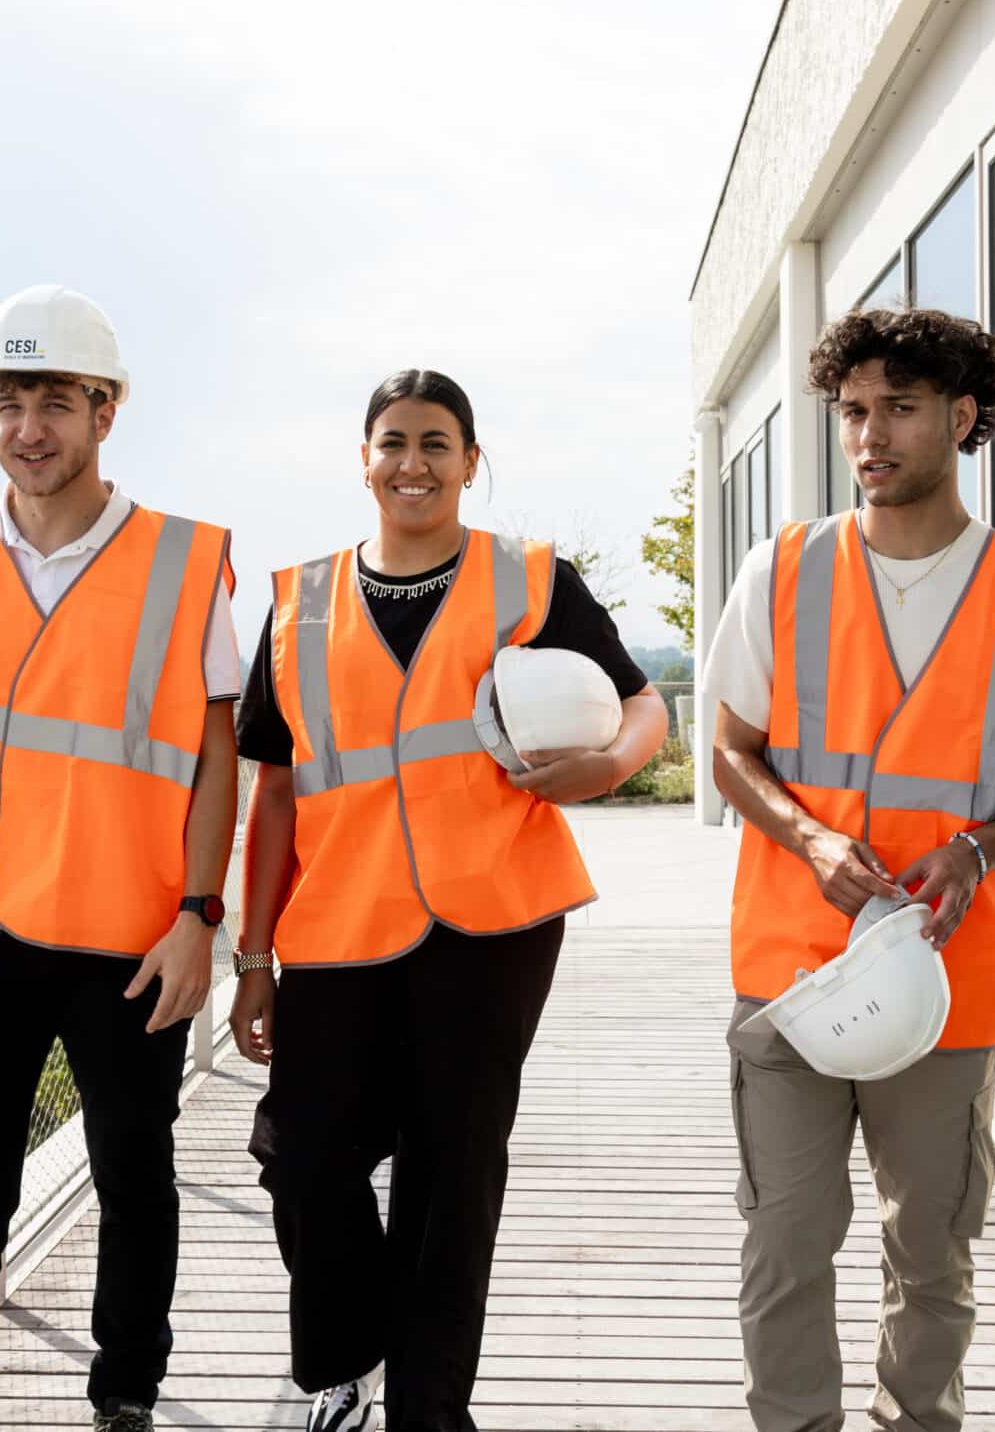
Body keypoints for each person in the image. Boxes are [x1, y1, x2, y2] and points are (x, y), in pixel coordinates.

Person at [228, 368, 670, 1432]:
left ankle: (429, 1408)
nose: (412, 463)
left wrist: (606, 767)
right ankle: (351, 1350)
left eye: (435, 443)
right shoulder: (298, 602)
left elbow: (642, 702)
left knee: (452, 1164)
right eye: (392, 442)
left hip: (495, 914)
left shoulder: (528, 579)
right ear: (362, 458)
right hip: (336, 918)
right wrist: (251, 957)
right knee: (299, 1153)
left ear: (472, 462)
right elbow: (274, 795)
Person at [703, 307, 995, 1432]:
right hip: (789, 971)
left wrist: (977, 850)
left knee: (929, 1247)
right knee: (786, 1236)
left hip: (946, 983)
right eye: (853, 412)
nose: (868, 435)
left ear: (963, 419)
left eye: (899, 409)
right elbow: (729, 752)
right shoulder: (778, 570)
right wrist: (811, 839)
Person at [0, 284, 242, 1432]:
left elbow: (218, 753)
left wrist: (199, 914)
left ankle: (124, 1393)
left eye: (55, 404)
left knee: (135, 1179)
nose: (30, 428)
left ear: (105, 414)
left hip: (129, 934)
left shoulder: (187, 562)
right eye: (9, 402)